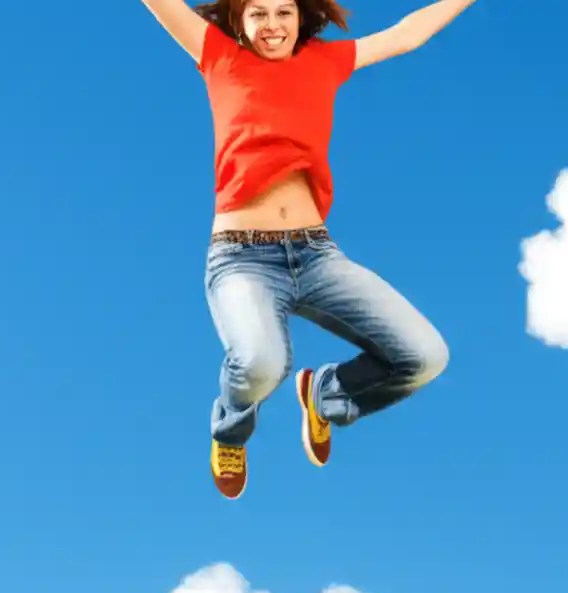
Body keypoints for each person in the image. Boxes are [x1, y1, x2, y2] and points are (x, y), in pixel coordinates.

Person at [140, 0, 478, 498]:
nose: (272, 25)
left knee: (426, 356)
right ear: (239, 20)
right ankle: (231, 430)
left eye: (283, 13)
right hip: (241, 258)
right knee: (260, 363)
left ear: (301, 18)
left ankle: (327, 393)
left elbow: (407, 34)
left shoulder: (325, 61)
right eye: (258, 14)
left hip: (317, 256)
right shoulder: (218, 55)